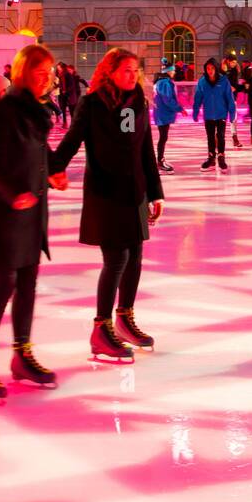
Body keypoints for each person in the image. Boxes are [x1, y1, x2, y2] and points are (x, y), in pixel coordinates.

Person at [50, 47, 164, 361]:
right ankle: (101, 328)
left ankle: (125, 319)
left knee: (136, 257)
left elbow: (145, 150)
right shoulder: (93, 103)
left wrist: (155, 193)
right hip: (106, 193)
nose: (133, 75)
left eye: (135, 70)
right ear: (110, 71)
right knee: (116, 259)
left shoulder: (138, 101)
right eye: (126, 70)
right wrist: (52, 168)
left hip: (136, 192)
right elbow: (71, 142)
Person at [0, 44, 67, 399]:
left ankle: (21, 356)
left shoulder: (36, 111)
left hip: (30, 211)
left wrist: (55, 172)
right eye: (40, 73)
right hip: (1, 212)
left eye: (50, 73)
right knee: (3, 286)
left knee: (27, 282)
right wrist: (13, 194)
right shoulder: (5, 108)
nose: (47, 79)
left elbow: (40, 150)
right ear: (25, 73)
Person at [193, 58, 236, 170]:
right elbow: (198, 97)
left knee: (220, 136)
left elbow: (229, 98)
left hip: (221, 113)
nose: (210, 70)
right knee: (210, 137)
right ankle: (211, 158)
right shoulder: (202, 82)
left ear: (216, 69)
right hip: (208, 115)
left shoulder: (224, 81)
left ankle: (221, 157)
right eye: (208, 68)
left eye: (212, 68)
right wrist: (196, 111)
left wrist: (232, 113)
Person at [152, 60, 185, 172]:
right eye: (173, 70)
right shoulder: (164, 83)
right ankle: (160, 161)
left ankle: (160, 160)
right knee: (163, 137)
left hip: (162, 114)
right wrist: (180, 109)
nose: (174, 72)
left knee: (163, 137)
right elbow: (168, 100)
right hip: (163, 114)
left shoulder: (163, 82)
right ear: (169, 71)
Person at [54, 62, 72, 127]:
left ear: (62, 67)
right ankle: (65, 123)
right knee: (62, 108)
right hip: (61, 93)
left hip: (68, 94)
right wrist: (56, 86)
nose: (58, 68)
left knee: (70, 109)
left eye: (59, 67)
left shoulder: (67, 74)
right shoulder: (60, 75)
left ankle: (70, 123)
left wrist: (66, 91)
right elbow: (61, 84)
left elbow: (71, 84)